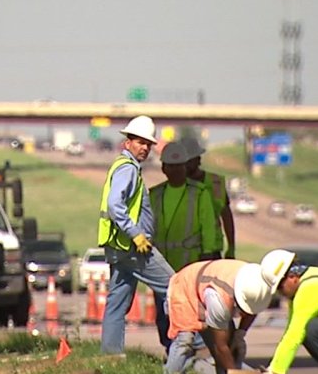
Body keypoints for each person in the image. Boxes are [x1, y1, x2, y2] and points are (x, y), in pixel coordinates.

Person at [97, 115, 175, 354]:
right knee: (175, 287)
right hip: (133, 248)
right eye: (140, 142)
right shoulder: (128, 169)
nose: (144, 148)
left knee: (117, 302)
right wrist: (136, 234)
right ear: (127, 142)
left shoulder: (123, 167)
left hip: (120, 248)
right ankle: (189, 349)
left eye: (148, 144)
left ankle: (110, 356)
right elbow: (115, 205)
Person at [163, 257, 274, 374]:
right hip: (185, 287)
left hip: (208, 285)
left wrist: (240, 334)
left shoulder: (257, 285)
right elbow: (220, 346)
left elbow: (252, 310)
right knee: (185, 340)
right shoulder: (219, 300)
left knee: (232, 347)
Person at [148, 141, 220, 271]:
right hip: (161, 265)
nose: (175, 170)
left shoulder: (199, 193)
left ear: (185, 167)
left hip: (191, 264)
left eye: (178, 166)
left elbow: (208, 226)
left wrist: (208, 253)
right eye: (171, 166)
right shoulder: (155, 194)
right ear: (164, 168)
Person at [179, 136, 235, 259]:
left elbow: (226, 215)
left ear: (198, 159)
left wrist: (231, 247)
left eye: (189, 160)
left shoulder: (215, 182)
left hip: (212, 250)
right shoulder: (177, 185)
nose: (185, 164)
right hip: (184, 249)